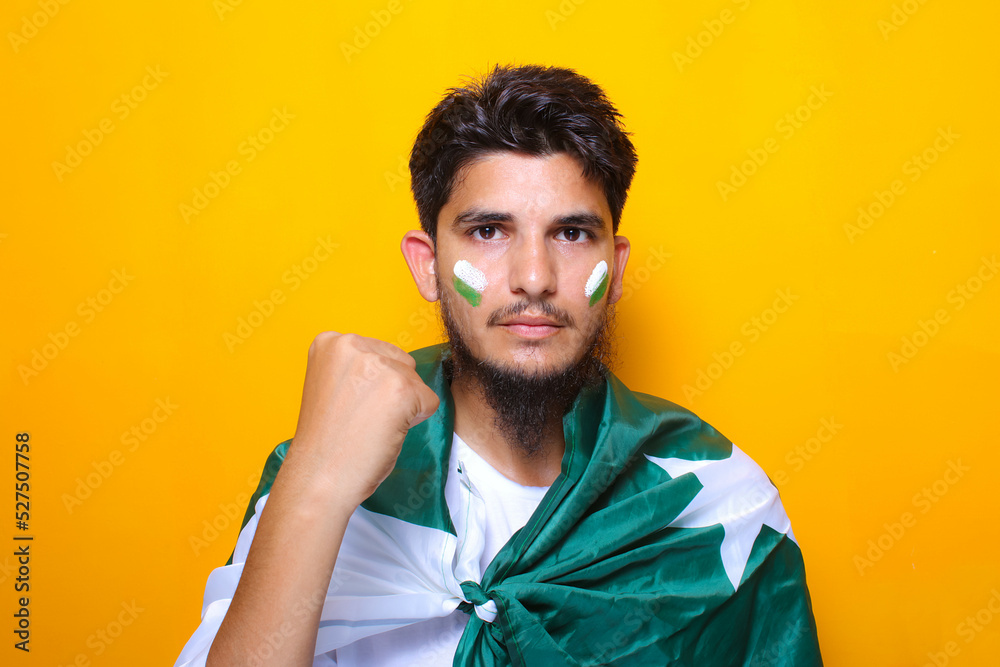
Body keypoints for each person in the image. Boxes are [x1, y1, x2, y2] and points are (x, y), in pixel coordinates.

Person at [175, 64, 822, 666]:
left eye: (571, 233)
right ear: (427, 263)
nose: (533, 277)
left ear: (616, 267)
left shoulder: (714, 501)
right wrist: (314, 491)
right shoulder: (324, 474)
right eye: (489, 231)